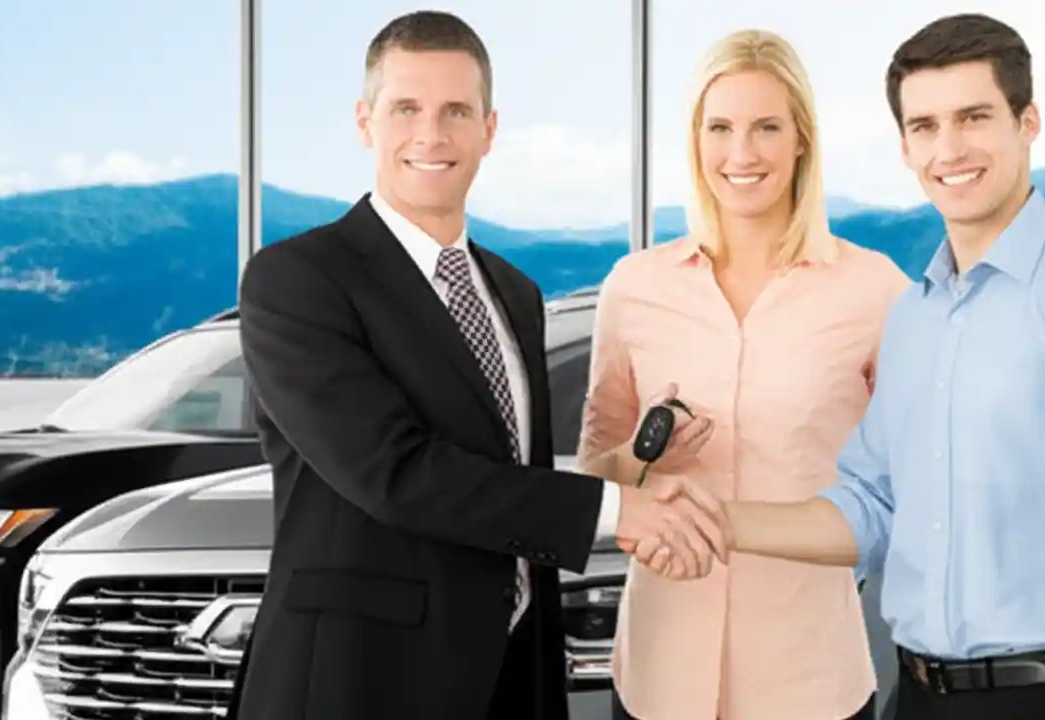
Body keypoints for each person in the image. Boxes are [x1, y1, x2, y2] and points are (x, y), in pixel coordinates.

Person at [634, 13, 1045, 720]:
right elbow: (871, 507)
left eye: (974, 117)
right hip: (918, 697)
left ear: (1029, 122)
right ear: (903, 146)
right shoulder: (917, 315)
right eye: (924, 126)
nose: (949, 149)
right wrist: (716, 520)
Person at [226, 11, 725, 720]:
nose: (431, 134)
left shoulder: (515, 292)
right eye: (407, 108)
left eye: (455, 110)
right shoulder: (296, 279)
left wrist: (621, 468)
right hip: (357, 681)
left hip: (509, 672)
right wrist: (620, 512)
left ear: (489, 129)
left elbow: (503, 480)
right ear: (365, 121)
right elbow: (395, 473)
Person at [577, 28, 910, 720]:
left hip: (810, 683)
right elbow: (594, 479)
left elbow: (908, 492)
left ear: (801, 140)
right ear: (696, 140)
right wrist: (643, 460)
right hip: (657, 678)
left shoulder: (875, 291)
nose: (741, 152)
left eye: (766, 126)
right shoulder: (634, 288)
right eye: (720, 126)